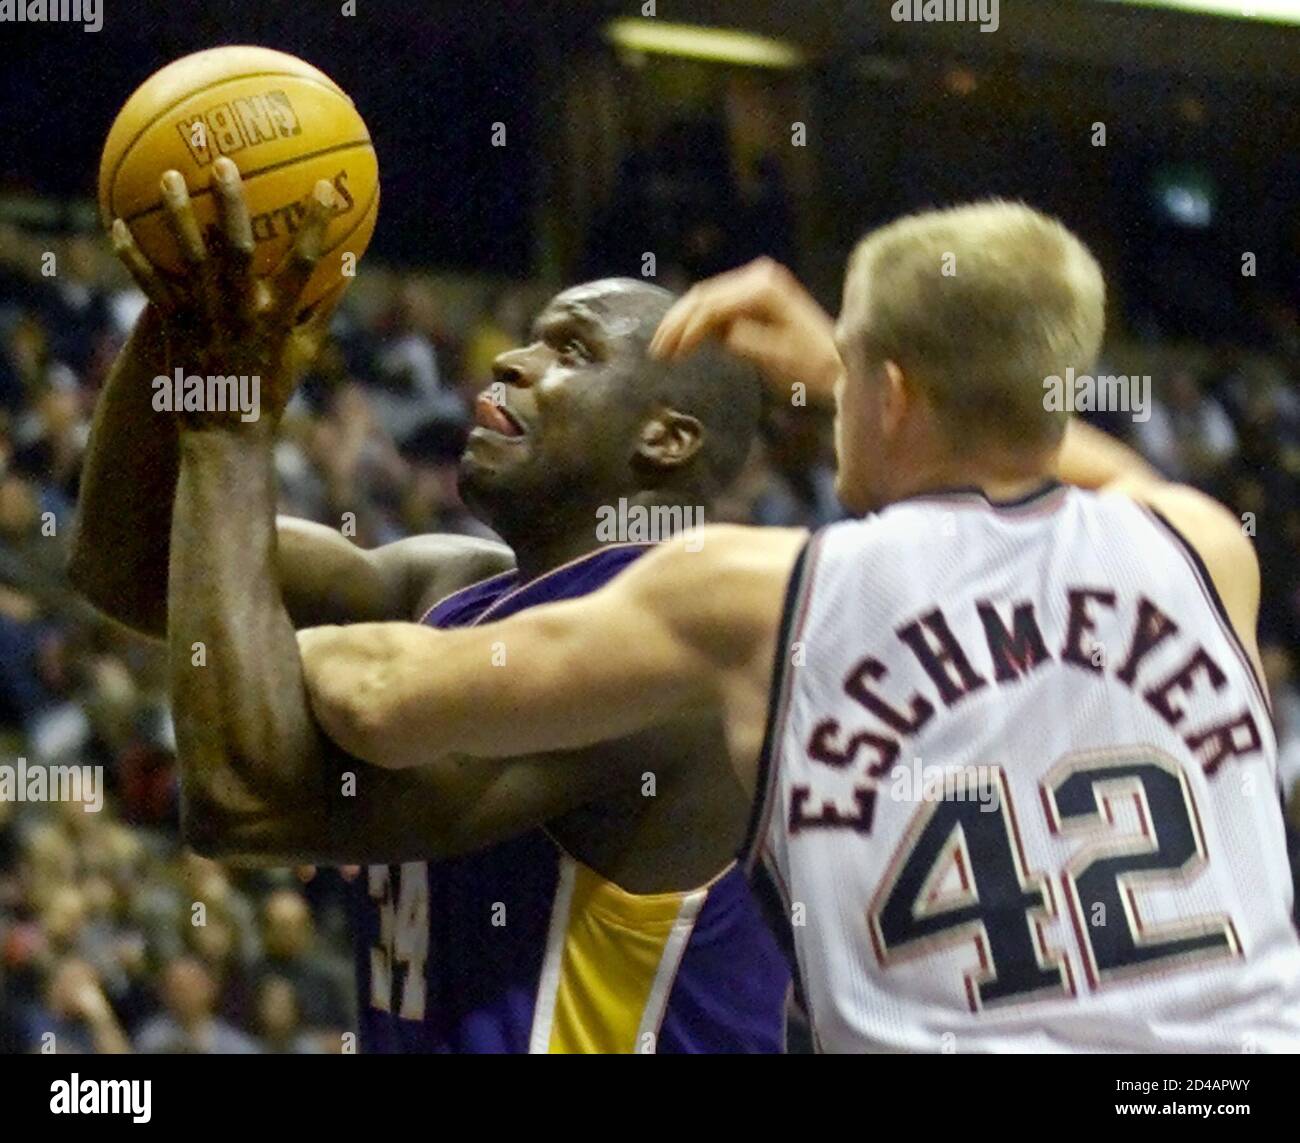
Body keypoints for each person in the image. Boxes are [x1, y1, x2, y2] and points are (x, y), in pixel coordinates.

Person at [300, 201, 1300, 1052]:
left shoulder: (770, 592)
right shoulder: (1200, 548)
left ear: (893, 393)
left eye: (855, 370)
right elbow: (1092, 472)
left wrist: (289, 647)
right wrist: (848, 362)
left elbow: (384, 700)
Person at [70, 157, 791, 1053]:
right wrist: (186, 313)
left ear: (666, 437)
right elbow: (127, 563)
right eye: (530, 336)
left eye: (570, 351)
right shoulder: (445, 583)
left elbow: (245, 803)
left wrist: (228, 427)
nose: (510, 360)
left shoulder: (667, 666)